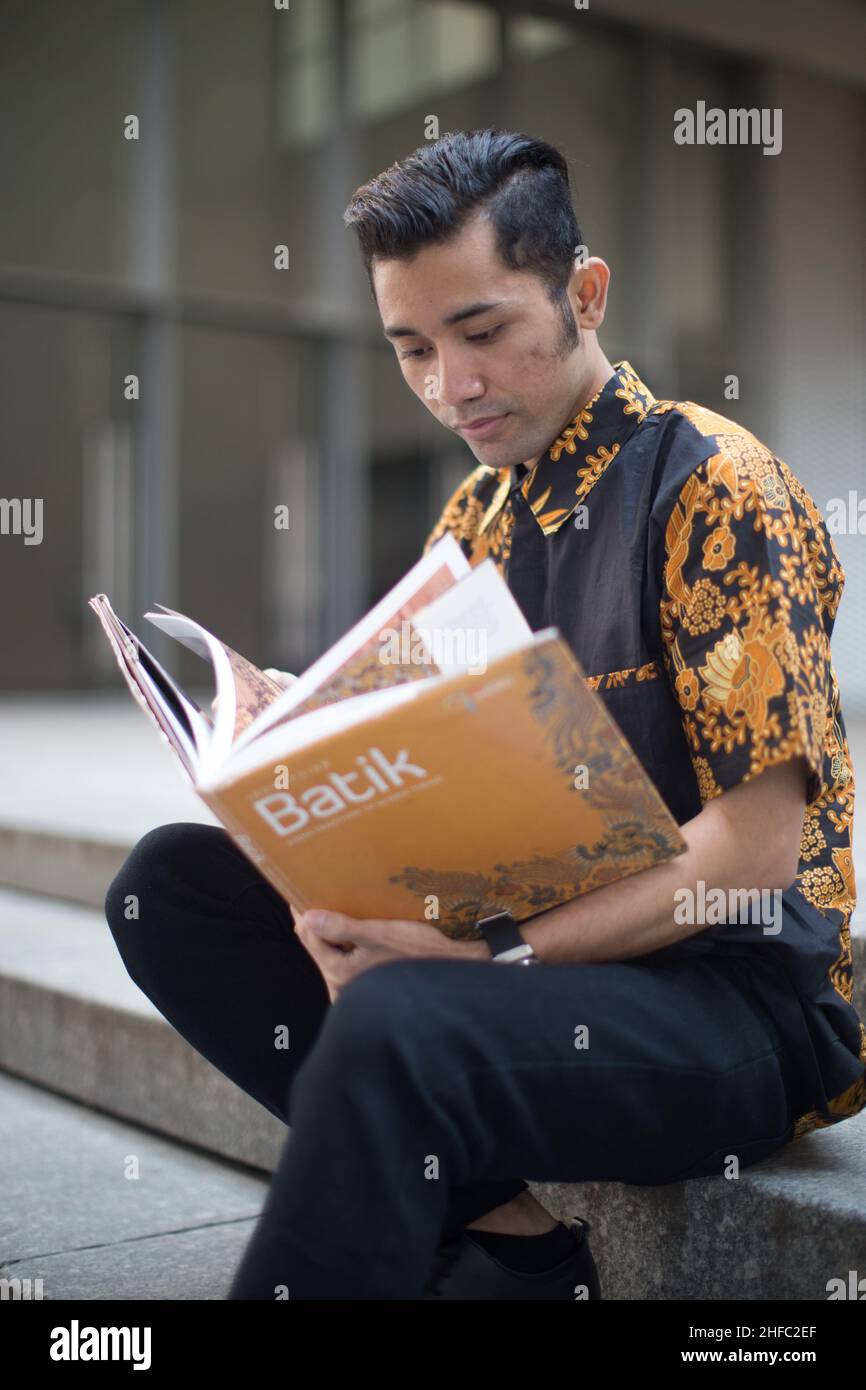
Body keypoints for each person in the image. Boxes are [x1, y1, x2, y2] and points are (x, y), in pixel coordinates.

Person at [104, 129, 865, 1301]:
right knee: (169, 885)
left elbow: (752, 858)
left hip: (738, 1006)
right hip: (528, 952)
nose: (446, 387)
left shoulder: (712, 484)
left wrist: (484, 960)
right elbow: (427, 771)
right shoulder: (472, 519)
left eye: (480, 333)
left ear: (584, 293)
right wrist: (299, 775)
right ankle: (509, 1237)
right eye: (410, 347)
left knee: (401, 1017)